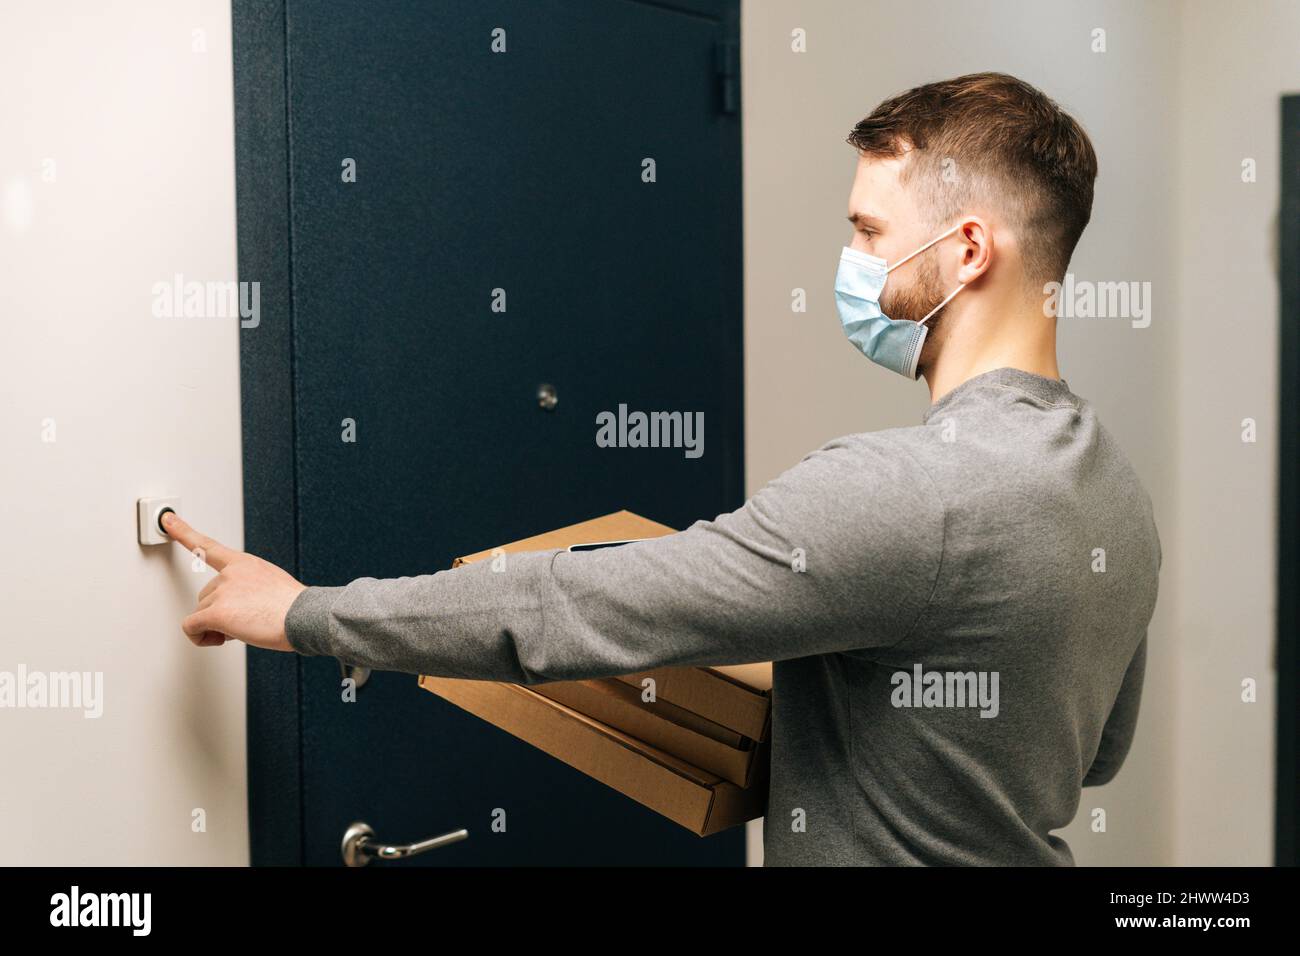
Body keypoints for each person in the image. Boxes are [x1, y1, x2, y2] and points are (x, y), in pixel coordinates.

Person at [163, 72, 1161, 866]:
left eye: (868, 232)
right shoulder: (1115, 492)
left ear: (969, 249)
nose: (852, 260)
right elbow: (1095, 753)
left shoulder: (905, 491)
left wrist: (304, 613)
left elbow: (569, 609)